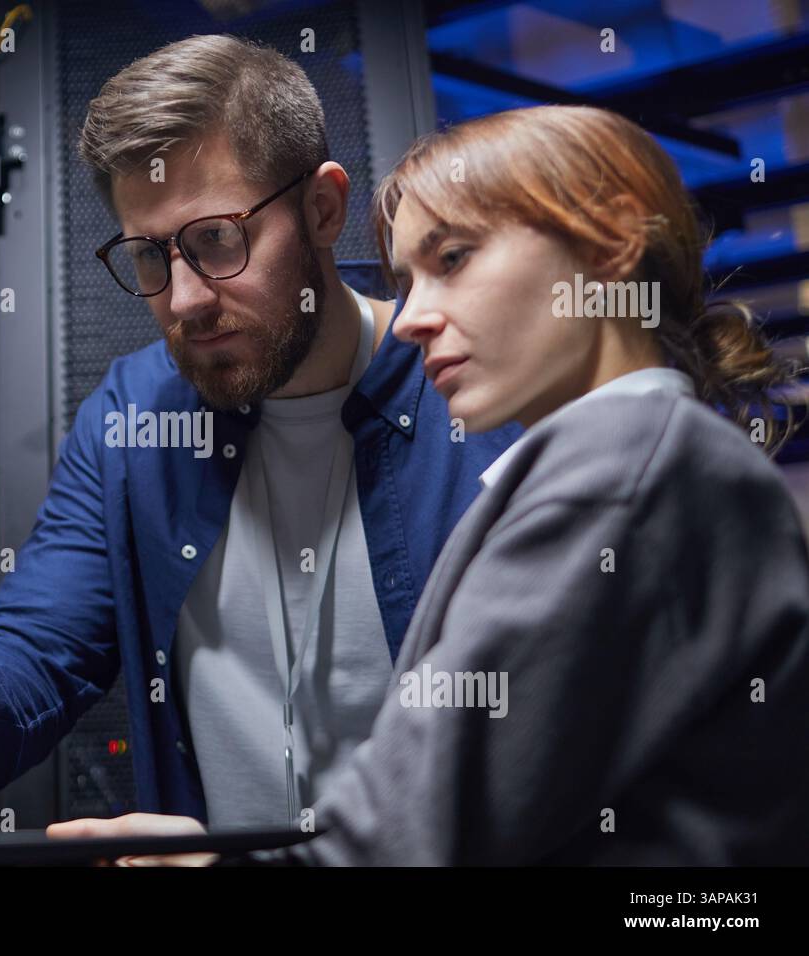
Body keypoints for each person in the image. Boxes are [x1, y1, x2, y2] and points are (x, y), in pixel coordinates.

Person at [0, 34, 516, 865]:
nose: (184, 299)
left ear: (323, 209)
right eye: (149, 254)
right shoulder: (133, 412)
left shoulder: (487, 395)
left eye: (217, 239)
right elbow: (43, 637)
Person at [242, 103, 809, 865]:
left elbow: (398, 850)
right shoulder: (642, 461)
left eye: (452, 259)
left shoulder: (623, 470)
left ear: (608, 244)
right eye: (406, 280)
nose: (411, 318)